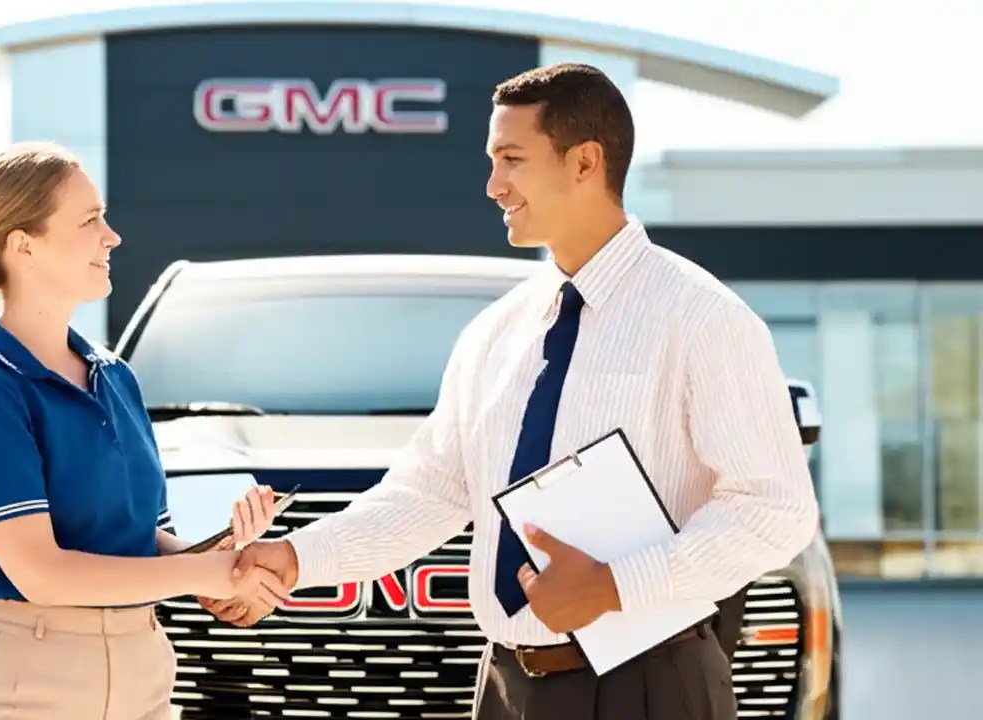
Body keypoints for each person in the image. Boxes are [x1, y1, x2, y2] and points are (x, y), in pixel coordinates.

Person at [211, 64, 820, 719]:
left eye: (511, 159)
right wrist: (296, 557)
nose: (493, 185)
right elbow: (428, 494)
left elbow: (773, 511)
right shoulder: (495, 333)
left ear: (585, 162)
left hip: (651, 688)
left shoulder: (704, 318)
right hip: (507, 685)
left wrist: (615, 587)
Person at [0, 141, 287, 720]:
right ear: (24, 246)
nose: (111, 237)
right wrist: (200, 572)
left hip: (140, 668)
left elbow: (144, 542)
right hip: (26, 679)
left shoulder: (115, 377)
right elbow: (40, 572)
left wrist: (226, 562)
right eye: (90, 219)